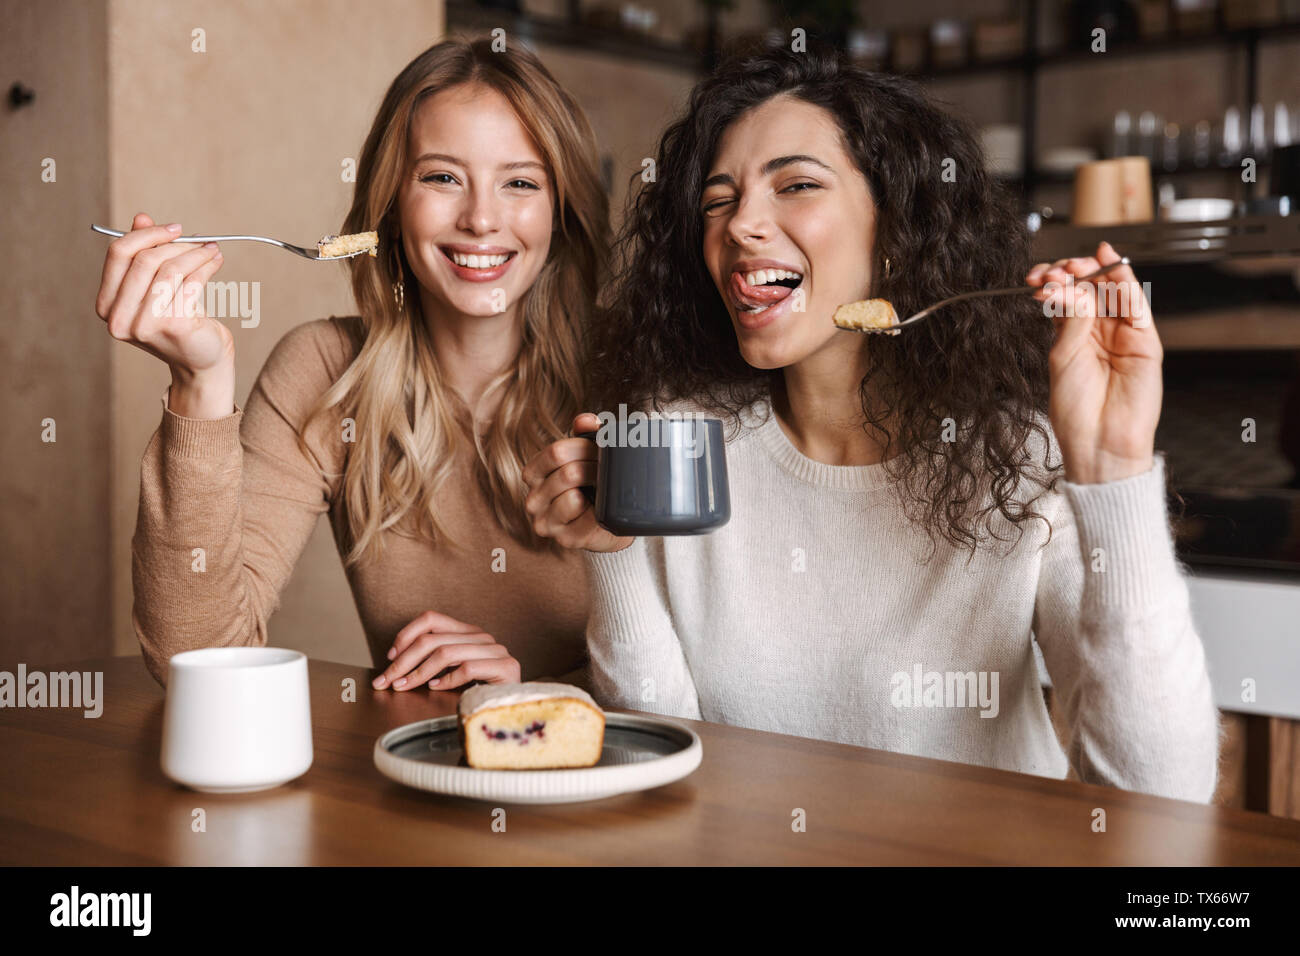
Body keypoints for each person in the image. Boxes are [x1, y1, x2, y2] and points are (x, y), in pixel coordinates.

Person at [523, 46, 1221, 802]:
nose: (742, 225)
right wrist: (614, 550)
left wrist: (1114, 471)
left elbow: (1164, 795)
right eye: (717, 201)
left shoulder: (1015, 456)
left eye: (796, 185)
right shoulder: (676, 443)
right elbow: (663, 770)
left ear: (897, 228)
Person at [99, 39, 609, 690]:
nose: (482, 219)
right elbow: (194, 663)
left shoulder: (630, 373)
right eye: (442, 177)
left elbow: (708, 682)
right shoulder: (326, 369)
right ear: (391, 207)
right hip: (407, 778)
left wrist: (537, 692)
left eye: (519, 182)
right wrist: (199, 383)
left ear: (560, 211)